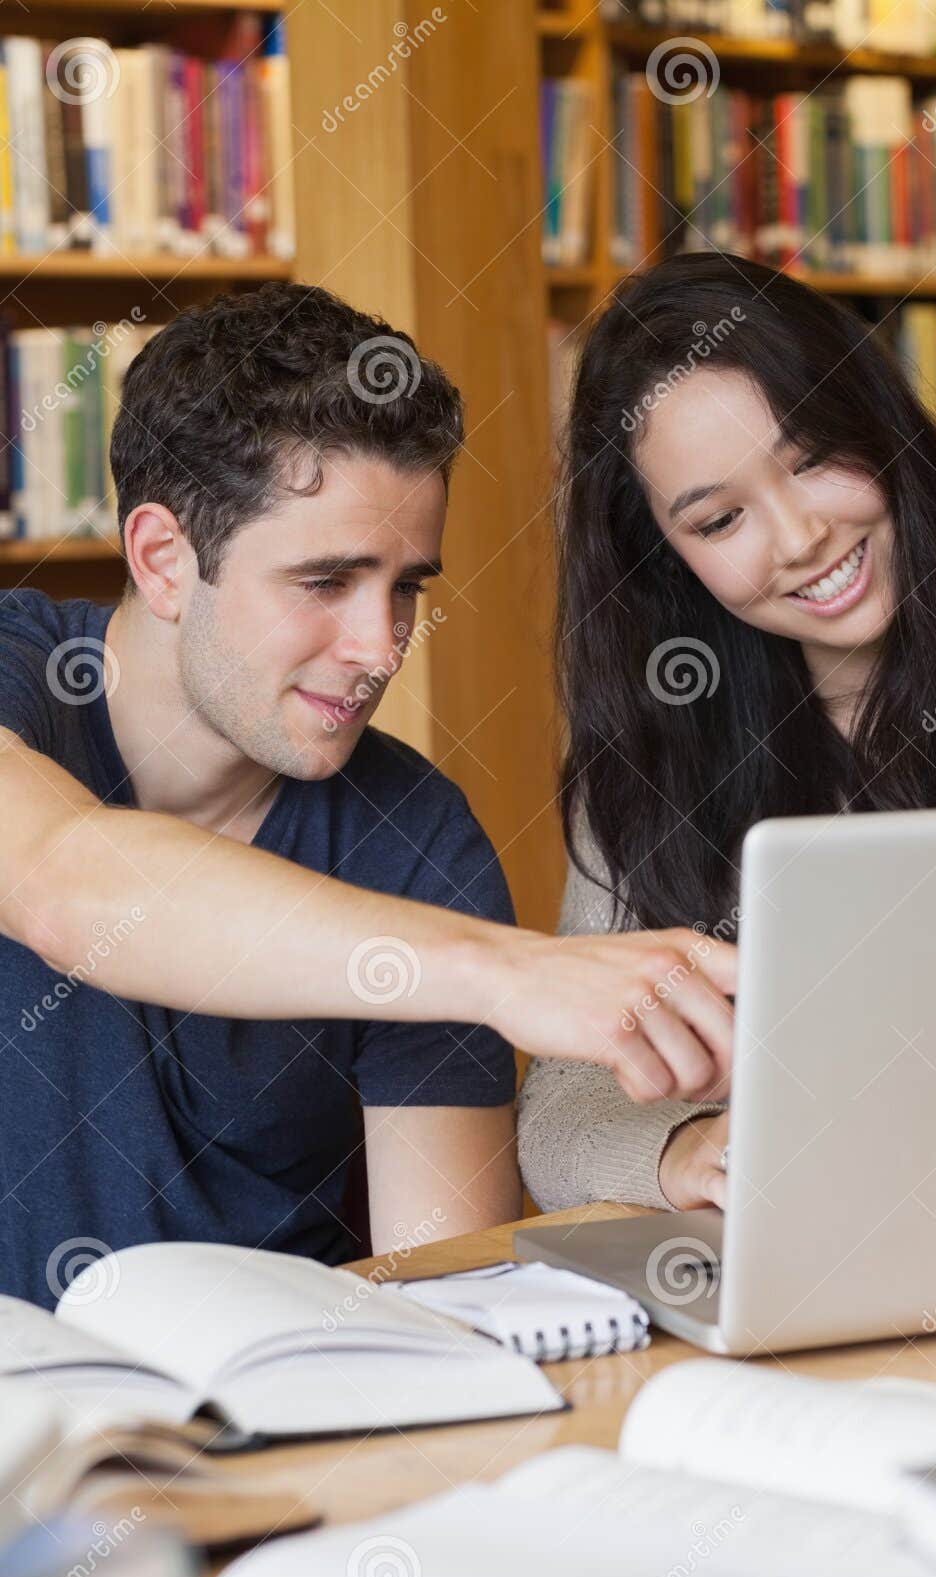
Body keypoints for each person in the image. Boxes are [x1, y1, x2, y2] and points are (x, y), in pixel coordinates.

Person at [0, 281, 735, 1308]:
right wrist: (503, 972)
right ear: (164, 560)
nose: (379, 645)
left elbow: (447, 1296)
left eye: (406, 587)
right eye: (324, 582)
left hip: (264, 1430)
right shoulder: (14, 680)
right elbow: (57, 880)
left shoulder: (417, 839)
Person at [518, 249, 936, 1215]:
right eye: (722, 519)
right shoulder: (653, 750)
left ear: (880, 430)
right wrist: (685, 1153)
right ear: (667, 560)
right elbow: (559, 1109)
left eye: (812, 459)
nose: (801, 537)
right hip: (823, 1252)